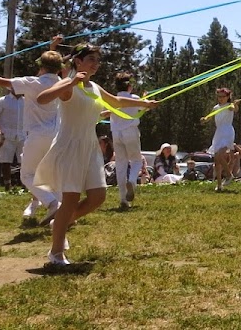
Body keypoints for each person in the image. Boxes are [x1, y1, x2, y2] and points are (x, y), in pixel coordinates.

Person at [35, 43, 159, 267]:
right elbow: (42, 98)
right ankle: (55, 254)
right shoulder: (68, 84)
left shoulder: (94, 87)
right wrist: (71, 82)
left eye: (97, 60)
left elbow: (117, 101)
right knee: (70, 200)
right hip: (70, 146)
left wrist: (144, 103)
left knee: (98, 197)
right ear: (78, 61)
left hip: (90, 147)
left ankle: (61, 224)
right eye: (91, 59)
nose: (96, 64)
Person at [0, 35, 64, 222]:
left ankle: (52, 204)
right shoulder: (61, 83)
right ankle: (60, 214)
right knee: (53, 174)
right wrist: (53, 48)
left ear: (41, 66)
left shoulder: (32, 82)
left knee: (27, 175)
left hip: (36, 134)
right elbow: (54, 66)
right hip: (56, 135)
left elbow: (0, 81)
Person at [101, 72, 147, 209]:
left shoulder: (113, 99)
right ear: (130, 86)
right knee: (136, 160)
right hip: (131, 131)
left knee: (120, 165)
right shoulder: (134, 98)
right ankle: (132, 182)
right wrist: (145, 98)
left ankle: (123, 199)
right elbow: (143, 108)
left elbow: (107, 111)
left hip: (116, 134)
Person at [203, 88, 238, 192]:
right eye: (219, 96)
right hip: (218, 133)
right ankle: (219, 185)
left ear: (228, 97)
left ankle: (229, 175)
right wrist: (204, 119)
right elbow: (208, 117)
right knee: (217, 160)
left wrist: (235, 104)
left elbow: (234, 109)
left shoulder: (229, 106)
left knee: (219, 155)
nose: (221, 98)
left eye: (223, 96)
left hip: (227, 132)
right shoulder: (216, 108)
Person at [0, 90, 24, 190]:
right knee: (6, 161)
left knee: (24, 161)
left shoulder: (26, 102)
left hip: (22, 134)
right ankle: (7, 184)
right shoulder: (2, 101)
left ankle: (25, 184)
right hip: (6, 134)